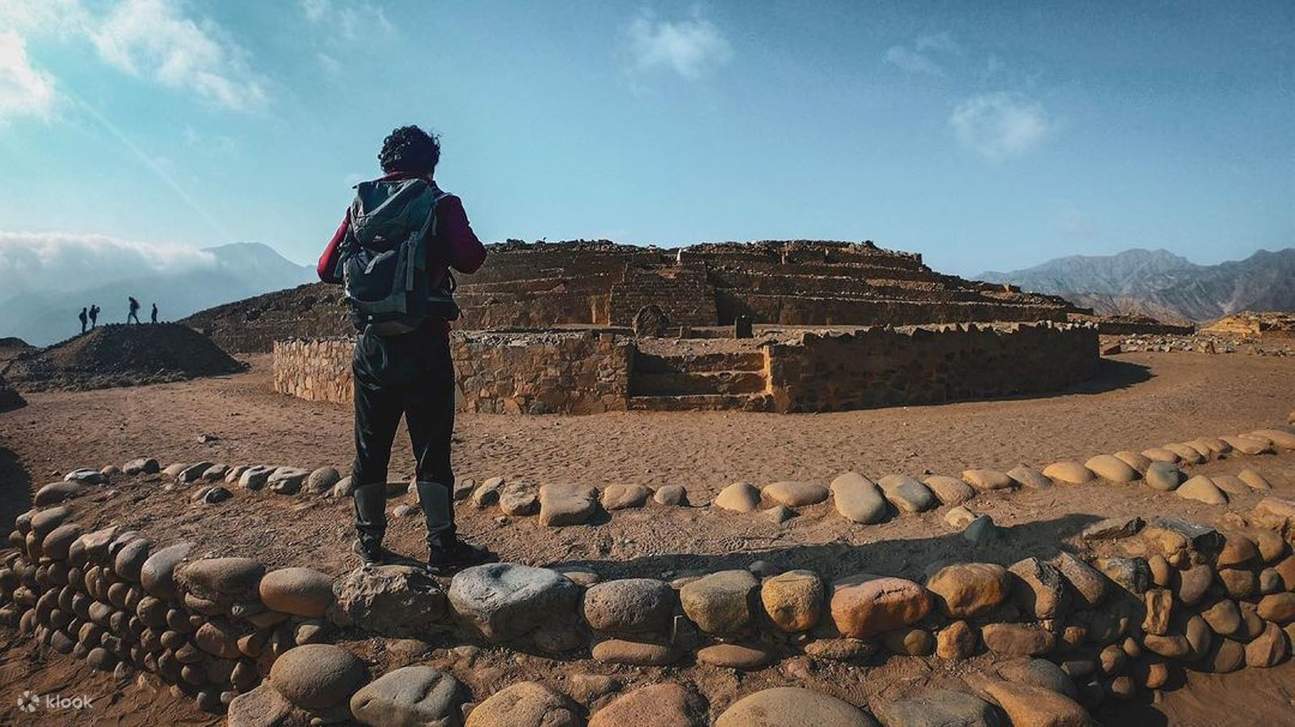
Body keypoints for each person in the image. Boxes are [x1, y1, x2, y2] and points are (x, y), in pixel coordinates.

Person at [317, 125, 493, 574]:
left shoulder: (360, 205)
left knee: (370, 446)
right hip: (425, 343)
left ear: (384, 163)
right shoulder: (440, 203)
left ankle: (370, 542)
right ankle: (441, 546)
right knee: (431, 447)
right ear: (431, 163)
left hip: (372, 346)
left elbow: (325, 268)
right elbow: (471, 258)